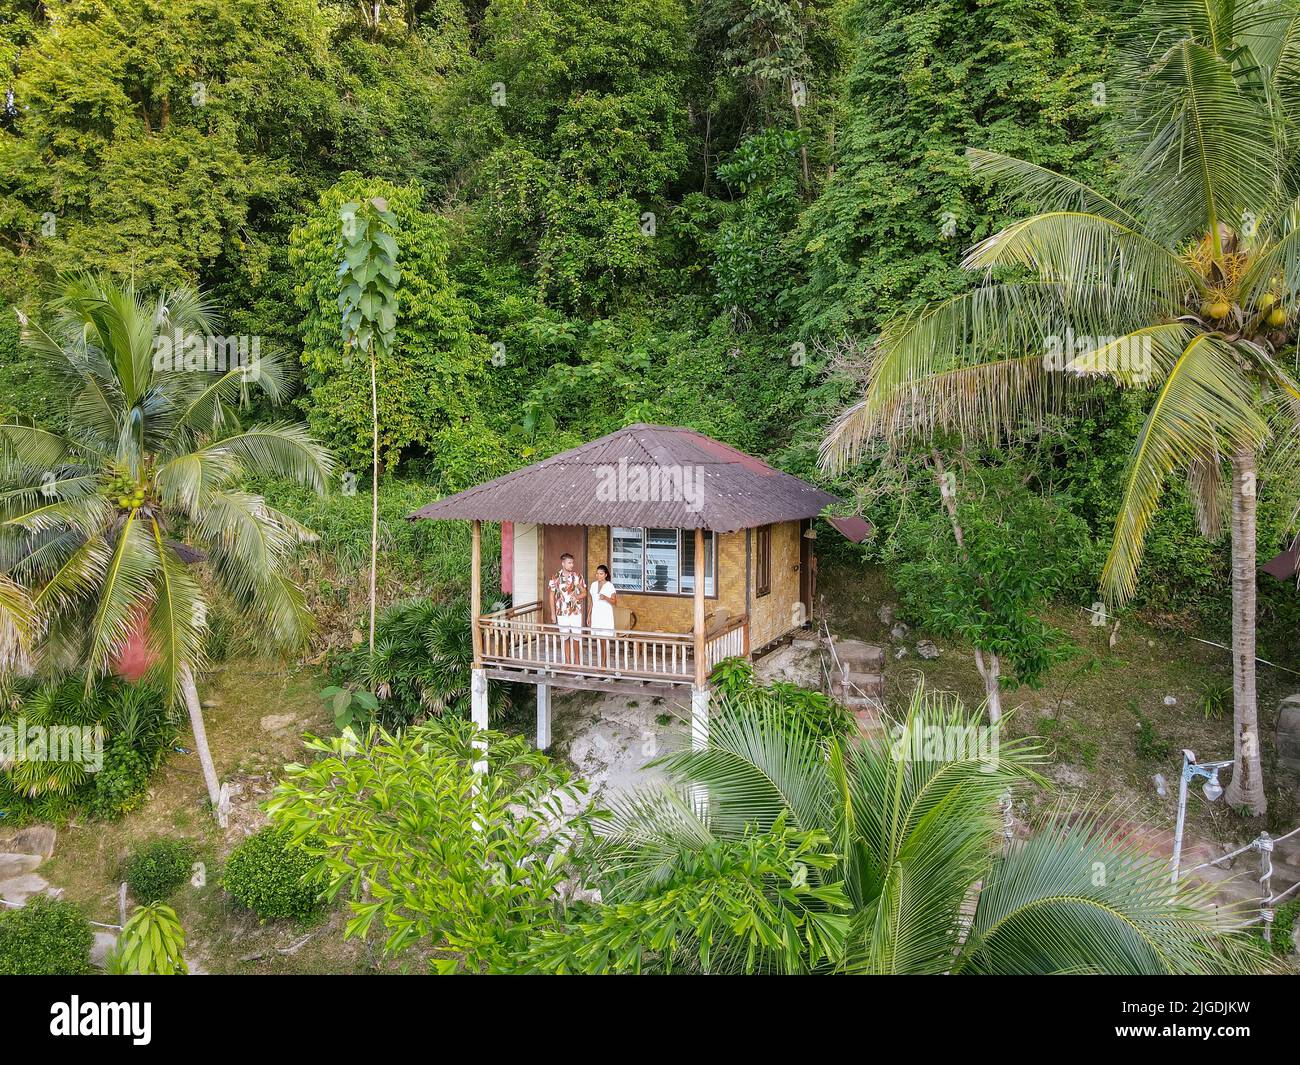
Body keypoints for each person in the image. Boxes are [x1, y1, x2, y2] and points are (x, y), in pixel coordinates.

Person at [548, 552, 587, 665]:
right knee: (564, 637)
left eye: (572, 563)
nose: (572, 565)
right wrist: (553, 614)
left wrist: (577, 597)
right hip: (561, 612)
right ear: (563, 563)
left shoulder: (577, 576)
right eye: (569, 563)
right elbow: (551, 596)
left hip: (575, 611)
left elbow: (584, 593)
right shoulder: (555, 577)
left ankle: (577, 661)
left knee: (576, 637)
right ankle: (567, 662)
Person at [589, 564, 618, 667]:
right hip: (596, 615)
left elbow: (614, 602)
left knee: (604, 640)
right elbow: (592, 601)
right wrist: (588, 615)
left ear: (605, 575)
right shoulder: (593, 585)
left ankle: (604, 664)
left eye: (601, 574)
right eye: (597, 573)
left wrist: (605, 597)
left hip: (605, 616)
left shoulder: (610, 586)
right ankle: (601, 662)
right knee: (598, 640)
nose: (598, 575)